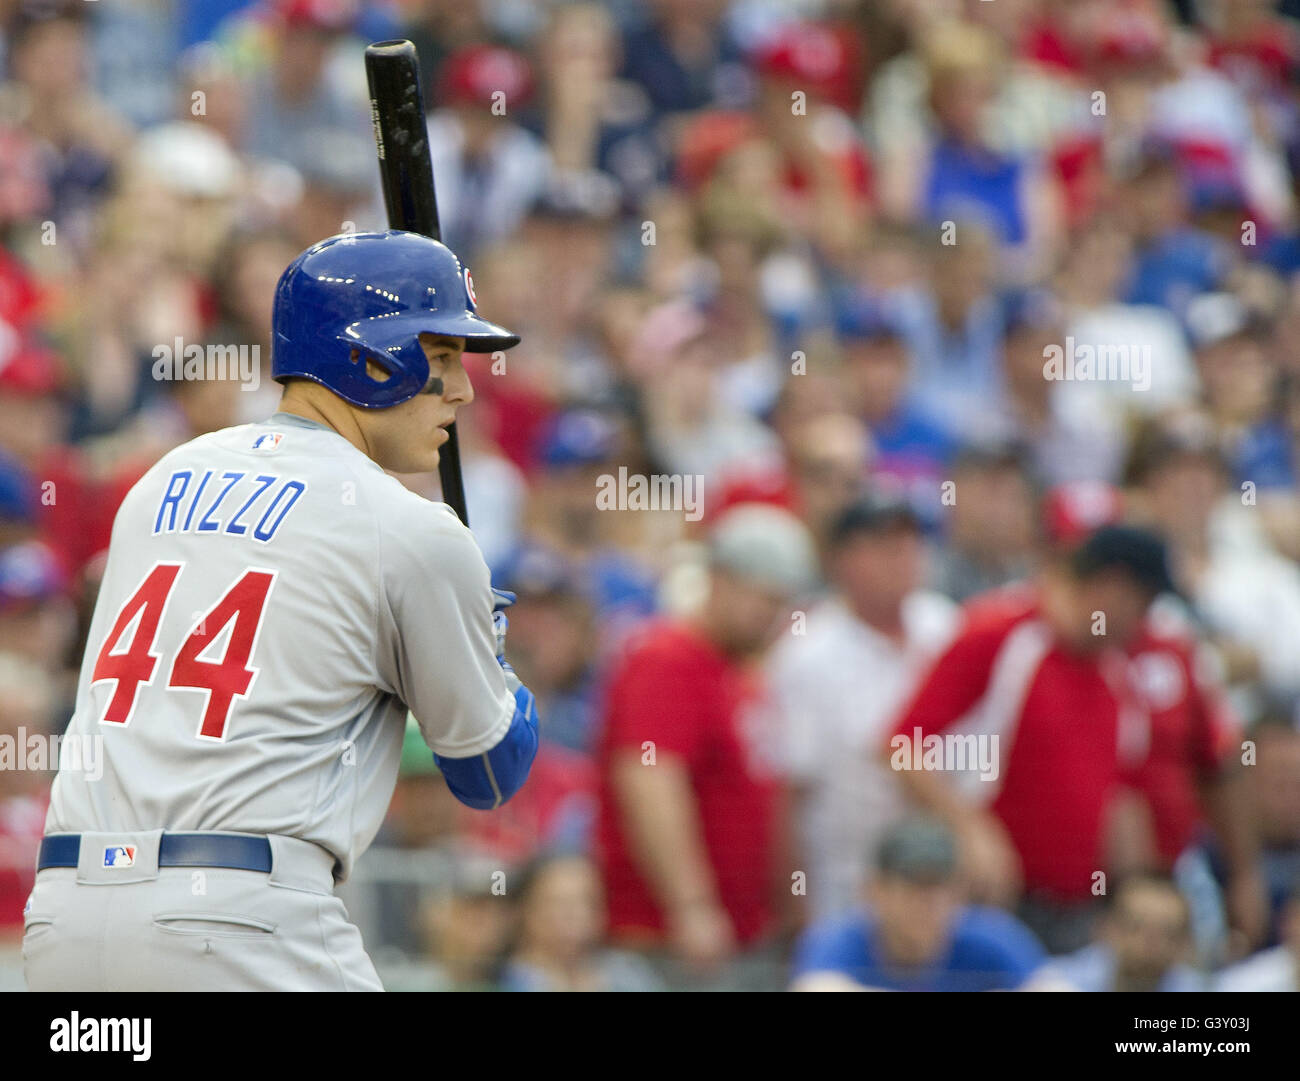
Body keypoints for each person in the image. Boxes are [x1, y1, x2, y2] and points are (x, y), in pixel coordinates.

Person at [23, 230, 541, 991]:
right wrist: (490, 648)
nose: (462, 391)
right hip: (238, 924)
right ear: (370, 359)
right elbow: (488, 774)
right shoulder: (416, 530)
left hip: (64, 915)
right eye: (440, 360)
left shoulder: (167, 475)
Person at [890, 524, 1175, 953]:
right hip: (993, 901)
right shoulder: (1000, 636)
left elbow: (1122, 799)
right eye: (1143, 604)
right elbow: (902, 746)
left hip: (1083, 912)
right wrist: (969, 828)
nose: (1145, 622)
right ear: (1111, 587)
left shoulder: (1120, 672)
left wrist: (1136, 898)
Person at [594, 503, 817, 989]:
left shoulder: (743, 670)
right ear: (720, 580)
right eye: (764, 600)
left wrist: (790, 901)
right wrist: (691, 906)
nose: (773, 617)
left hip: (744, 934)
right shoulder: (667, 660)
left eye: (782, 604)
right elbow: (649, 780)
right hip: (668, 938)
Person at [767, 494, 957, 920]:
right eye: (887, 546)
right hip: (848, 885)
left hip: (943, 881)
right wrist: (794, 905)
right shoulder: (807, 654)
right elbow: (789, 792)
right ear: (843, 560)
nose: (905, 558)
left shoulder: (946, 626)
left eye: (912, 544)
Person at [790, 817, 1046, 991]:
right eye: (914, 888)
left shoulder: (992, 939)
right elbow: (814, 986)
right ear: (875, 891)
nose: (929, 904)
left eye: (940, 889)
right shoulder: (839, 940)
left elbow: (1049, 984)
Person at [1042, 873, 1206, 991]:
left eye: (1168, 934)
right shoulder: (1054, 983)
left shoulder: (1201, 988)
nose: (1151, 943)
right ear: (1105, 929)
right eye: (1136, 927)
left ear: (1186, 944)